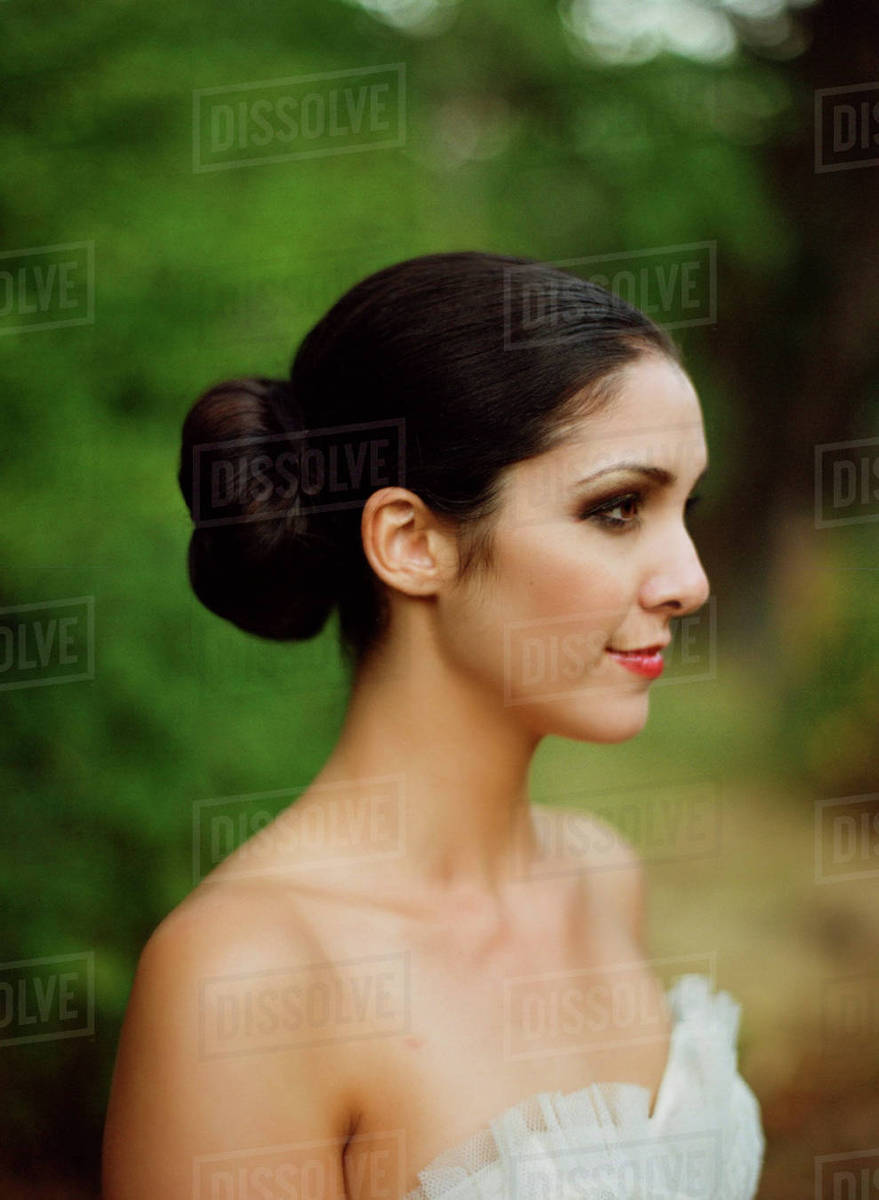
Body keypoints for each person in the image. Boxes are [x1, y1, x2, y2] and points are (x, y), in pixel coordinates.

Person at [102, 251, 765, 1199]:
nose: (690, 580)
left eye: (680, 509)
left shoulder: (602, 877)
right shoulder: (249, 976)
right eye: (617, 508)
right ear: (412, 542)